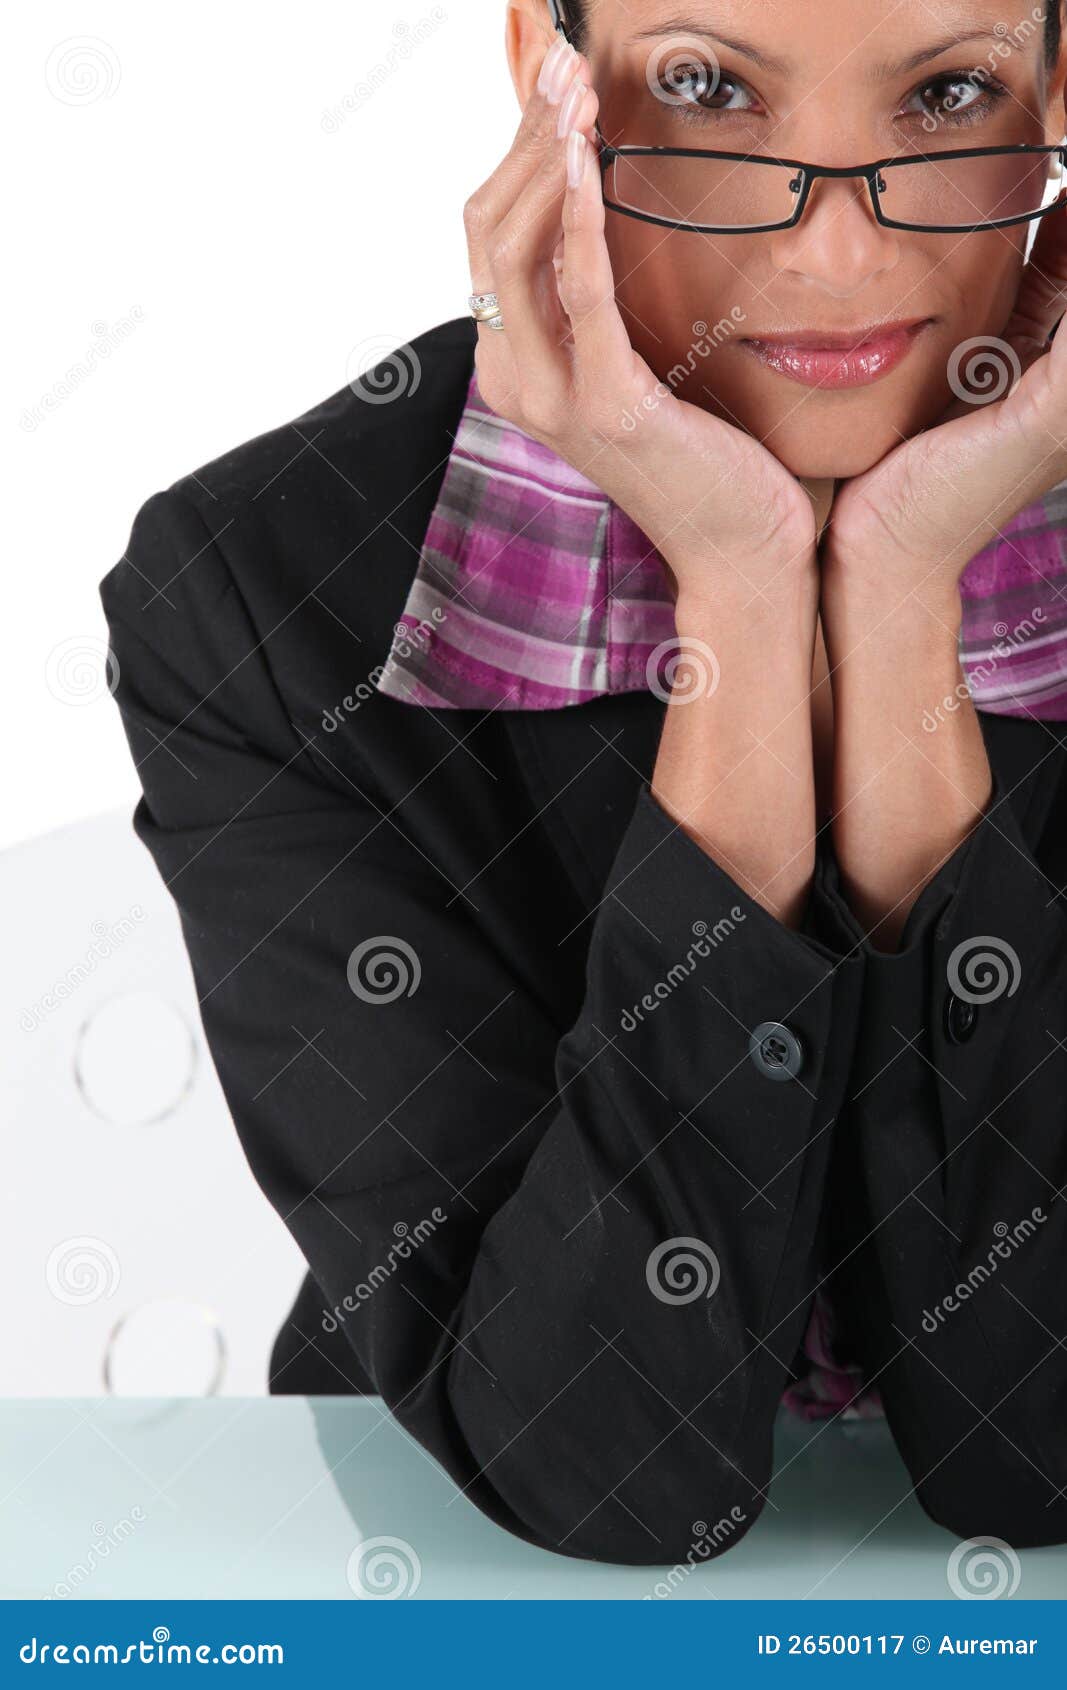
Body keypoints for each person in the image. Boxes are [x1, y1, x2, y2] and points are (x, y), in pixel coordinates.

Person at [100, 0, 1067, 1567]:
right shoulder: (264, 593)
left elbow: (1044, 1457)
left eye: (948, 93)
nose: (834, 256)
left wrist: (901, 607)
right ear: (551, 83)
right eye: (707, 88)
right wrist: (744, 601)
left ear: (1055, 91)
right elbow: (601, 1471)